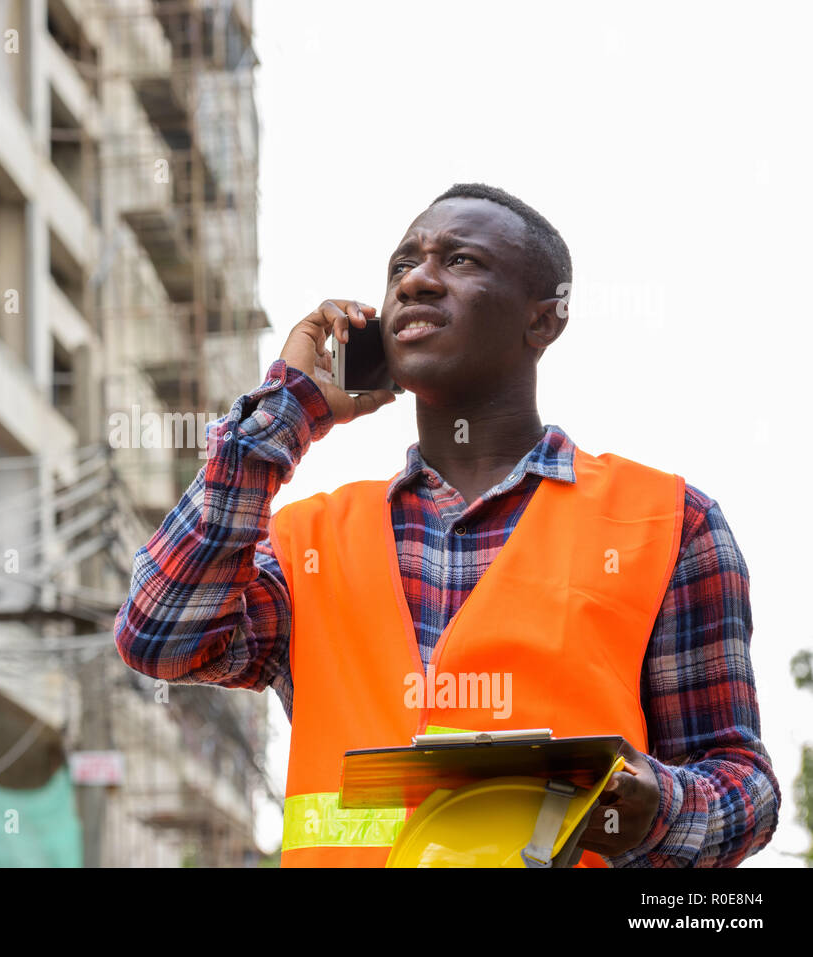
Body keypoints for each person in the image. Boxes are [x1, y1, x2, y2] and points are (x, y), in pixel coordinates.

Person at [113, 183, 780, 867]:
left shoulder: (669, 523)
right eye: (403, 265)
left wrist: (655, 808)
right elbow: (160, 636)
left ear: (544, 320)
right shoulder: (309, 541)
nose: (419, 280)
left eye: (460, 262)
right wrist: (289, 409)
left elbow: (744, 786)